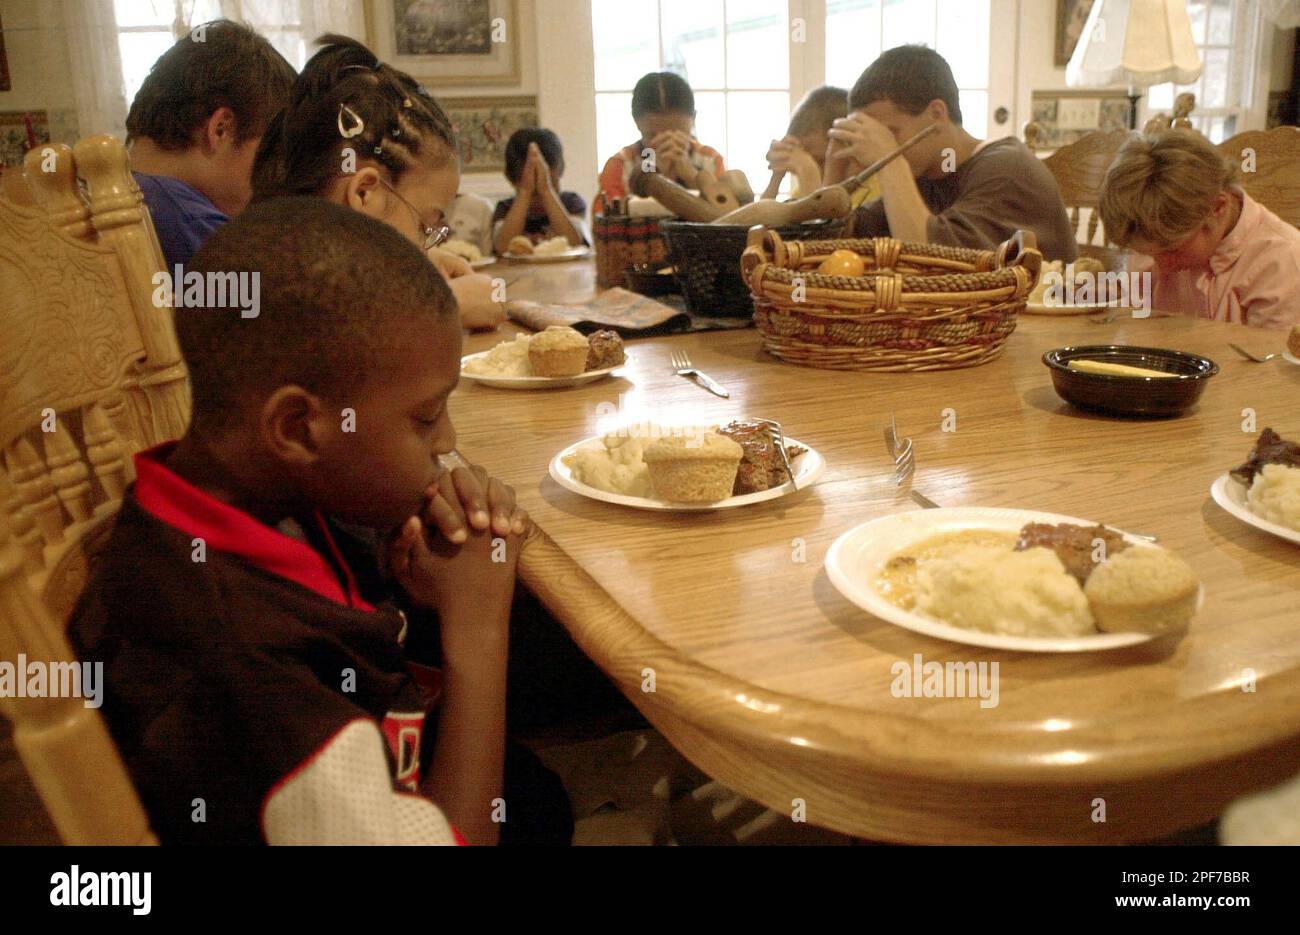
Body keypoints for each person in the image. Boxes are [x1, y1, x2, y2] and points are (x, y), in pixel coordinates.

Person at [67, 197, 556, 845]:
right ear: (296, 427)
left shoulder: (235, 497)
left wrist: (395, 560)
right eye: (425, 415)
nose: (448, 440)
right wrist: (477, 627)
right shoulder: (240, 675)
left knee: (538, 793)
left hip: (380, 750)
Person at [251, 35, 505, 330]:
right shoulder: (276, 283)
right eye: (425, 227)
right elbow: (330, 336)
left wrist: (417, 266)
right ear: (363, 193)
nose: (426, 246)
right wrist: (445, 304)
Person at [825, 45, 1077, 261]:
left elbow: (931, 266)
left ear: (936, 114)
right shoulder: (926, 175)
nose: (884, 149)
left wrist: (891, 164)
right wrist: (835, 177)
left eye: (891, 133)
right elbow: (831, 250)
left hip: (1041, 318)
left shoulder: (1007, 169)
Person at [125, 19, 296, 268]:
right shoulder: (190, 221)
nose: (273, 181)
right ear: (221, 129)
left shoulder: (98, 195)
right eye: (270, 154)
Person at [1100, 129, 1300, 330]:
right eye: (1145, 253)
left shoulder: (1282, 265)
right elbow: (1134, 330)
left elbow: (1271, 359)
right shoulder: (1154, 233)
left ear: (1217, 208)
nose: (1161, 266)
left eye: (1172, 250)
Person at [597, 71, 725, 204]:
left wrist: (693, 178)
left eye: (678, 134)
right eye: (653, 135)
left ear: (693, 119)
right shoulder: (621, 166)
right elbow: (606, 222)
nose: (668, 144)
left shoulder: (711, 161)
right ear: (636, 122)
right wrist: (652, 180)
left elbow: (729, 215)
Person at [763, 85, 875, 204]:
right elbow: (759, 221)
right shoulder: (802, 193)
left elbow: (820, 219)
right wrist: (776, 179)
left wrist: (808, 173)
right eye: (803, 159)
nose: (814, 169)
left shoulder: (874, 193)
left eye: (820, 161)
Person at [492, 128, 589, 254]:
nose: (540, 197)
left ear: (561, 171)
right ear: (511, 180)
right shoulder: (505, 208)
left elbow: (575, 245)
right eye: (534, 193)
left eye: (550, 183)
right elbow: (502, 248)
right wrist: (525, 192)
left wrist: (547, 191)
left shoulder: (571, 202)